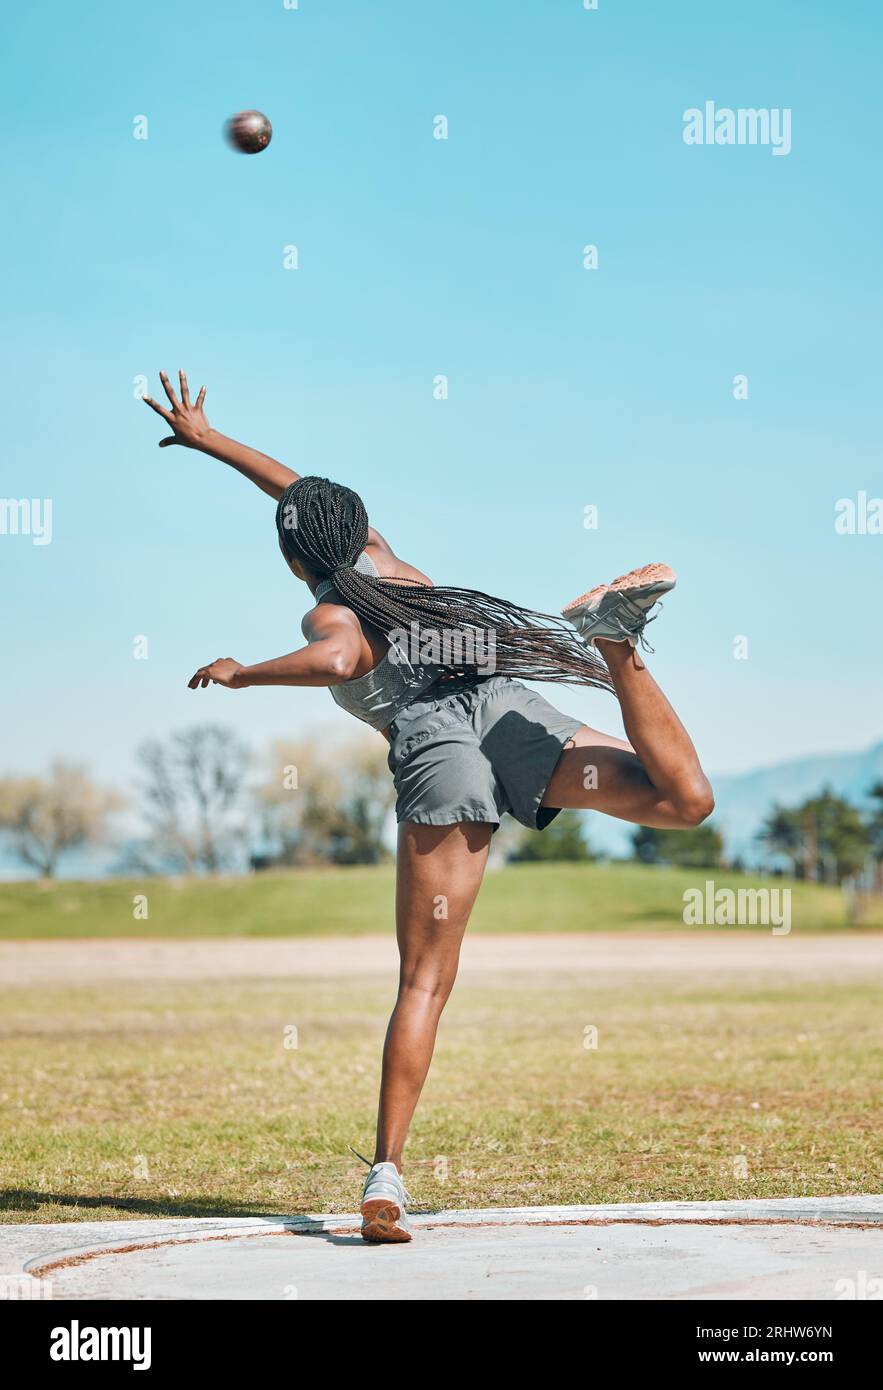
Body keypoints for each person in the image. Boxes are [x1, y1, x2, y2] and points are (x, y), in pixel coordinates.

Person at [144, 371, 714, 1243]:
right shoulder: (382, 557)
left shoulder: (332, 610)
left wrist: (240, 671)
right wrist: (213, 441)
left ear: (292, 559)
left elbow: (338, 661)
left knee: (424, 980)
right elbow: (300, 495)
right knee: (683, 802)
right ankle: (615, 643)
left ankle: (386, 1173)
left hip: (438, 748)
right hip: (508, 710)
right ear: (356, 526)